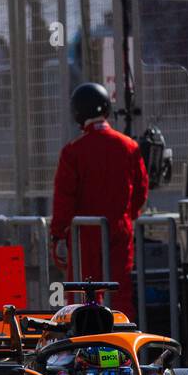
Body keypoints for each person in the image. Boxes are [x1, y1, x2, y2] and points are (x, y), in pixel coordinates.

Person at [51, 82, 149, 316]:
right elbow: (141, 190)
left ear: (78, 113)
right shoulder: (129, 146)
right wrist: (127, 217)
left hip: (84, 233)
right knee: (120, 294)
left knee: (82, 297)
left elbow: (64, 198)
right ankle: (122, 346)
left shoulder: (73, 151)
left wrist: (57, 233)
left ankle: (84, 347)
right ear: (106, 108)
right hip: (119, 228)